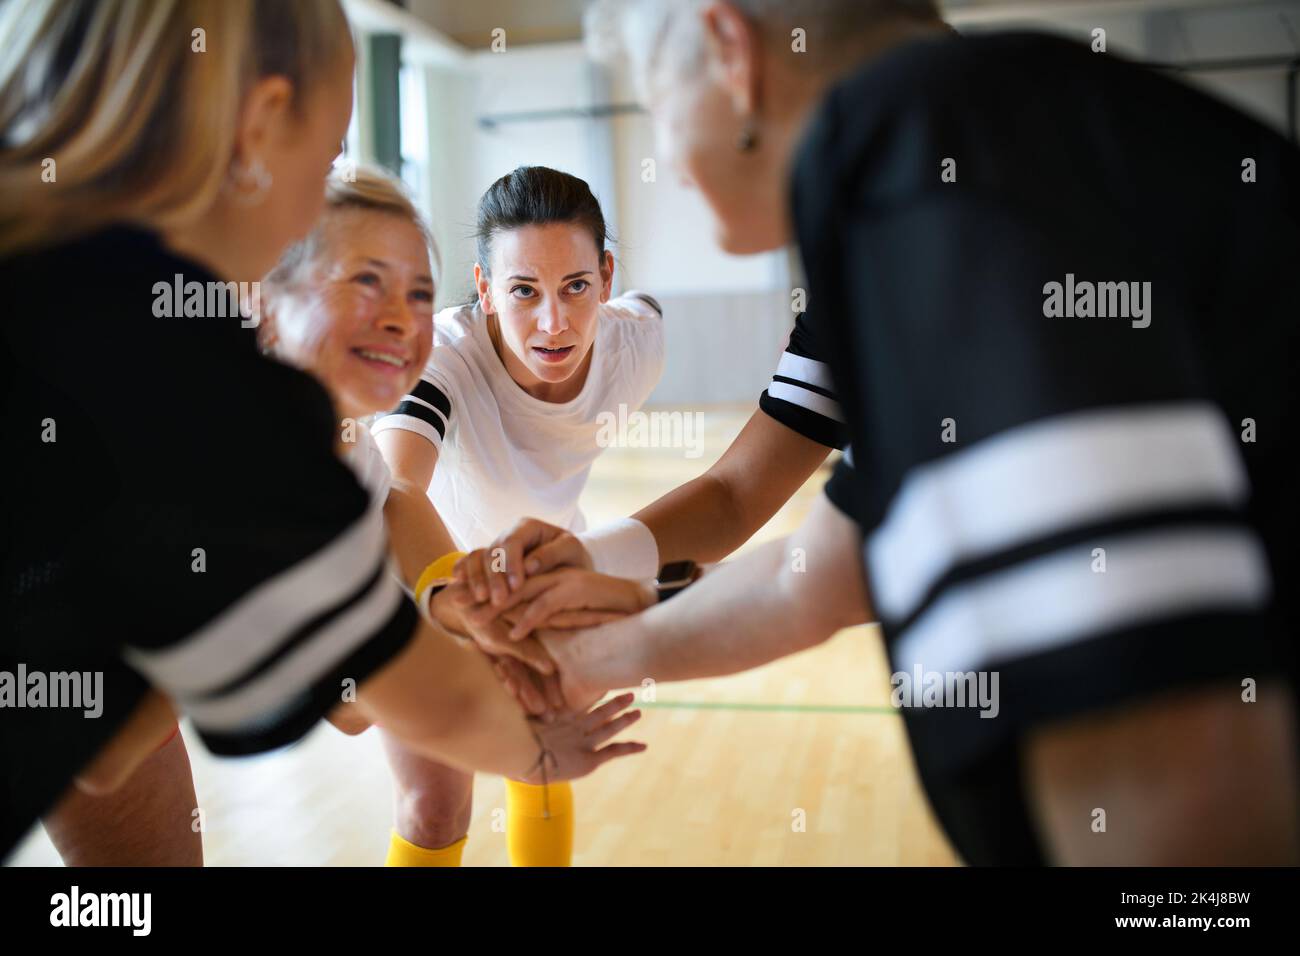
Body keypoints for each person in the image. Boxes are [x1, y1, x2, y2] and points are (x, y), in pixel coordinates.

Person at [473, 0, 1300, 865]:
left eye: (655, 101)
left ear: (730, 53)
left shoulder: (932, 166)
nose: (669, 162)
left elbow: (1163, 752)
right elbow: (813, 562)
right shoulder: (957, 156)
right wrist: (597, 619)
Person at [0, 0, 641, 861]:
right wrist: (528, 741)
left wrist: (441, 602)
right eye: (334, 148)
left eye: (417, 289)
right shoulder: (191, 381)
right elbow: (365, 686)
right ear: (262, 124)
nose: (334, 182)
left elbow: (110, 734)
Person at [370, 165, 667, 866]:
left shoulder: (637, 346)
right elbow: (396, 488)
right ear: (484, 291)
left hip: (538, 582)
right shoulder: (443, 358)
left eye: (576, 287)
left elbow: (648, 307)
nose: (554, 322)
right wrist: (459, 601)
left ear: (606, 276)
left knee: (539, 770)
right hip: (425, 581)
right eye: (523, 291)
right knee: (435, 802)